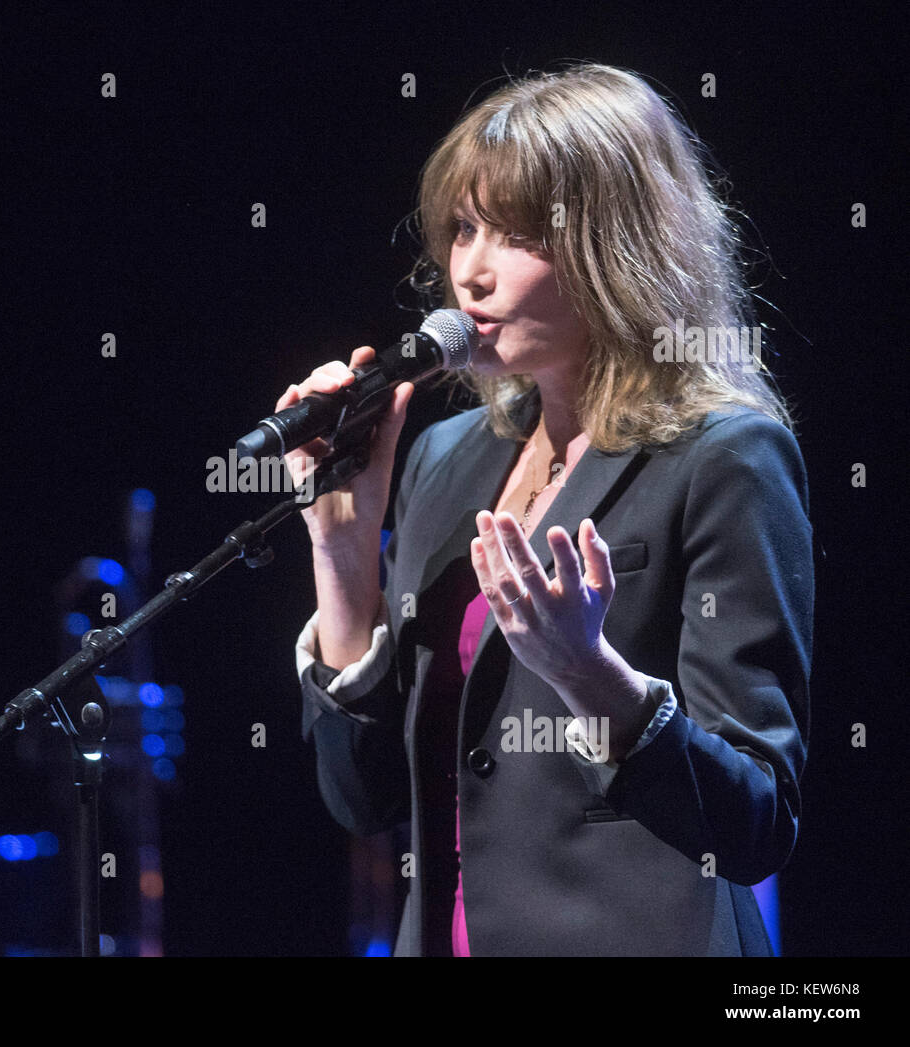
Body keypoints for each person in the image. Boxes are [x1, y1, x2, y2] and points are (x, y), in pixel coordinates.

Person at [278, 63, 813, 956]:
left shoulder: (725, 457)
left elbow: (757, 818)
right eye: (461, 230)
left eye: (515, 237)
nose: (470, 274)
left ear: (618, 248)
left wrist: (592, 675)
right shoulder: (447, 462)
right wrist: (341, 557)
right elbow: (364, 801)